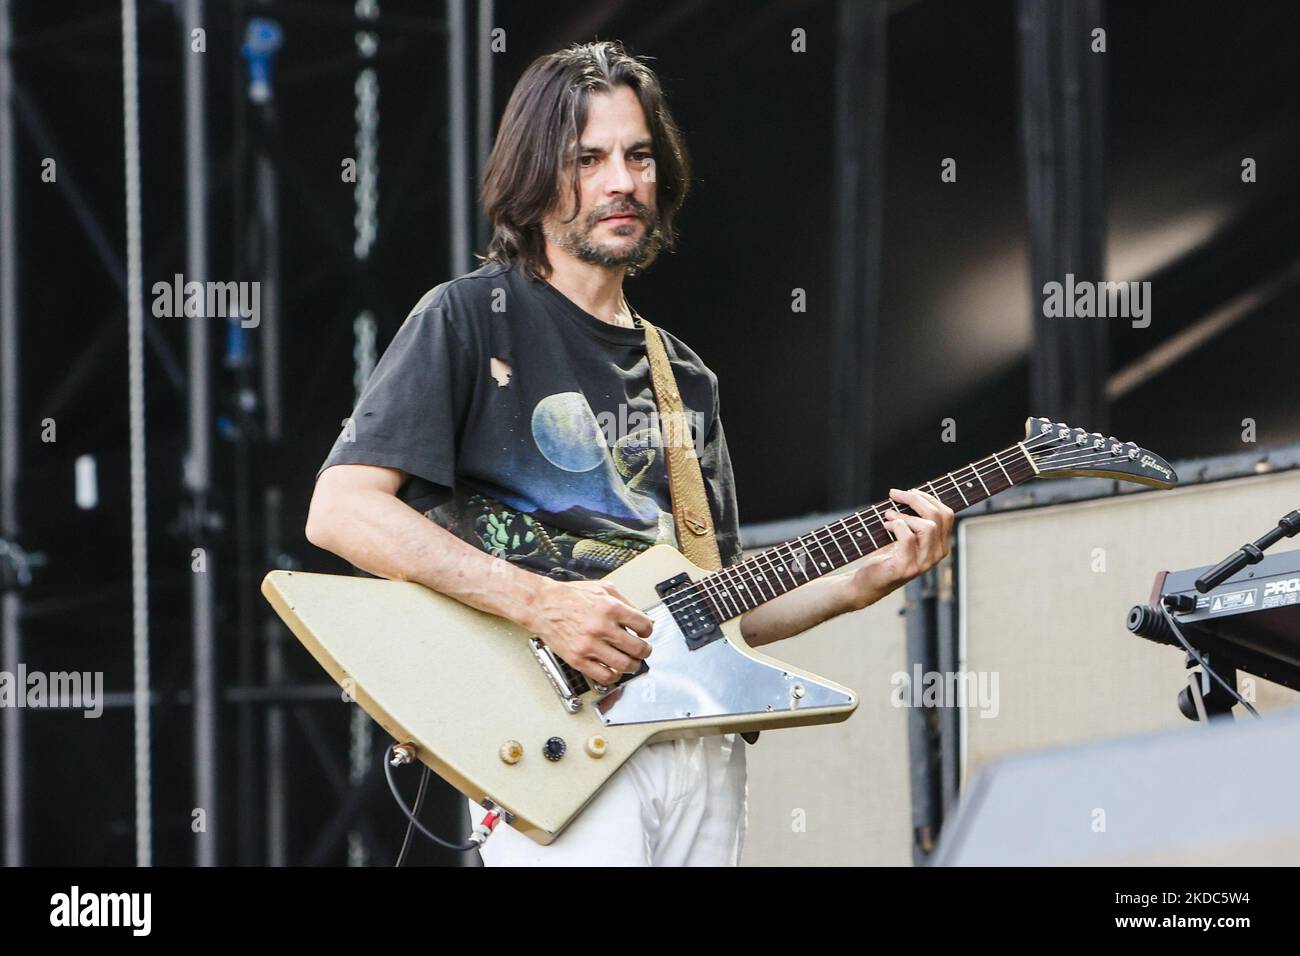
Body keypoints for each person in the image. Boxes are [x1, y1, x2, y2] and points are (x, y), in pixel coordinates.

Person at [304, 39, 954, 867]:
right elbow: (342, 510)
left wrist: (860, 583)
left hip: (699, 741)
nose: (623, 181)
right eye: (590, 158)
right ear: (536, 175)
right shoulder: (468, 319)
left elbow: (716, 604)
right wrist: (543, 604)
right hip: (555, 744)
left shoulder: (684, 376)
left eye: (640, 156)